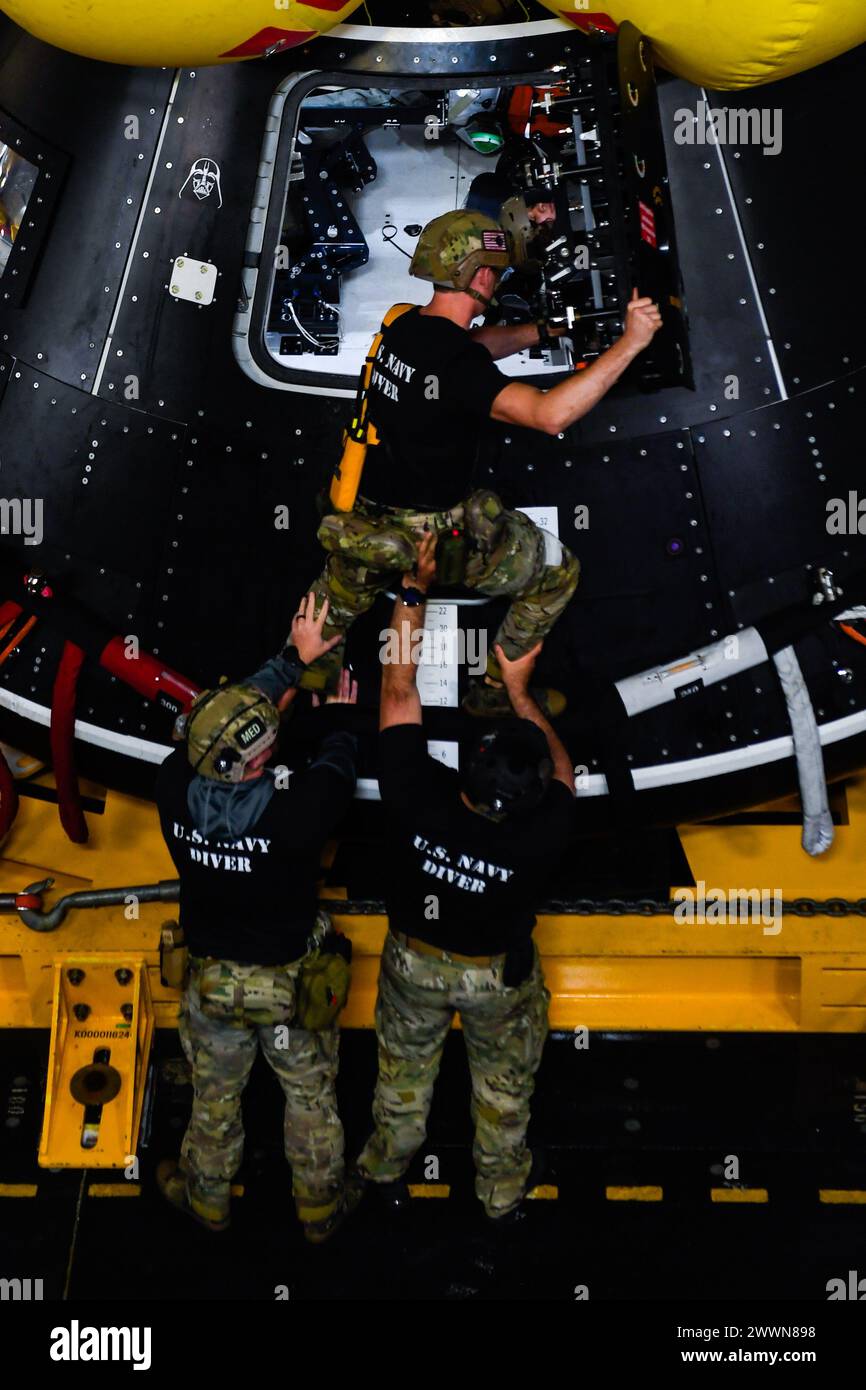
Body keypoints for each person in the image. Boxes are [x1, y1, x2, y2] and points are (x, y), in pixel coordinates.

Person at [291, 209, 661, 717]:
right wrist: (629, 344)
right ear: (481, 275)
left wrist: (544, 331)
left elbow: (473, 347)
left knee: (328, 608)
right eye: (496, 269)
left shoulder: (402, 325)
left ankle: (306, 681)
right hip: (431, 533)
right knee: (558, 573)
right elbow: (550, 415)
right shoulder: (457, 368)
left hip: (361, 509)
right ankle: (493, 693)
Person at [355, 535, 576, 1221]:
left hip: (414, 965)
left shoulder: (416, 791)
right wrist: (519, 691)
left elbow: (398, 685)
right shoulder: (543, 834)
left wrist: (414, 591)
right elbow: (567, 775)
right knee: (504, 1089)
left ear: (469, 769)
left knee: (401, 1075)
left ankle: (385, 1168)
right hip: (496, 982)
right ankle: (500, 1192)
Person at [154, 596, 362, 1243]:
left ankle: (206, 1198)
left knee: (214, 1098)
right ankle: (320, 1208)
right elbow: (339, 759)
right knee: (310, 1098)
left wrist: (288, 664)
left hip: (212, 986)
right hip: (290, 988)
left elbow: (226, 722)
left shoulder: (170, 787)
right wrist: (340, 716)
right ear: (261, 763)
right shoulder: (299, 812)